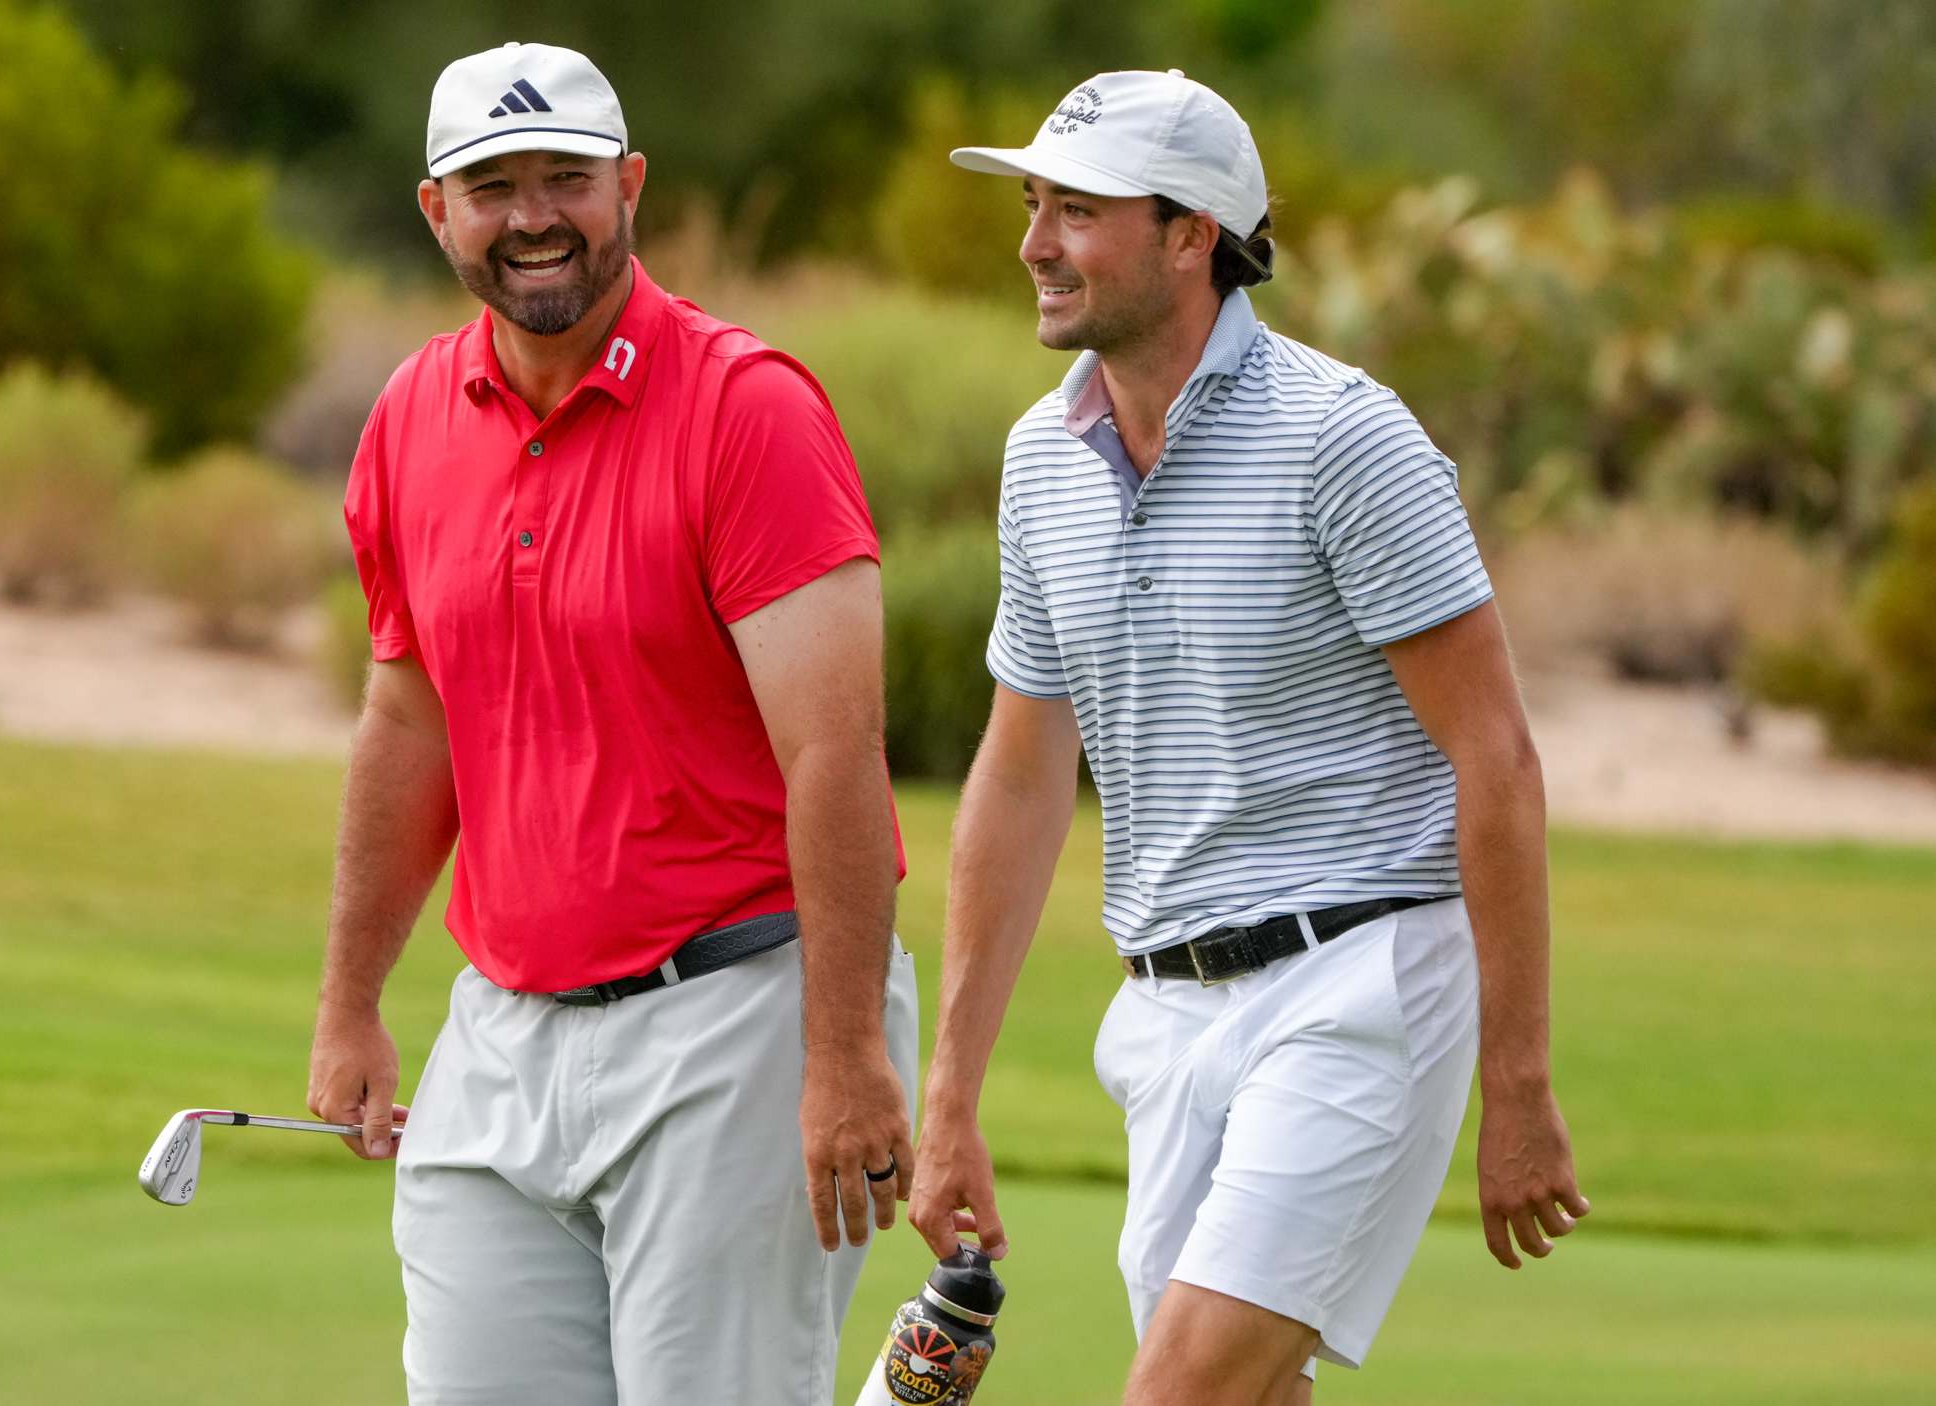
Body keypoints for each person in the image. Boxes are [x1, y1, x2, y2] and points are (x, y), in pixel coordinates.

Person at [905, 69, 1591, 1404]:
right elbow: (1023, 774)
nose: (1034, 242)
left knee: (1179, 1392)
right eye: (1035, 205)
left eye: (1077, 211)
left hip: (1359, 981)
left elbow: (1496, 758)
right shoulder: (1039, 461)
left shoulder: (1344, 438)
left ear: (1190, 234)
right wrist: (951, 1093)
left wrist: (1518, 1079)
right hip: (1166, 1014)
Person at [306, 41, 918, 1406]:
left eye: (566, 178)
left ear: (629, 186)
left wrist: (844, 1054)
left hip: (739, 1019)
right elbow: (410, 722)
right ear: (437, 212)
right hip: (505, 1031)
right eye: (495, 184)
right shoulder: (409, 415)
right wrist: (351, 1001)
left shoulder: (747, 410)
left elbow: (836, 752)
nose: (534, 214)